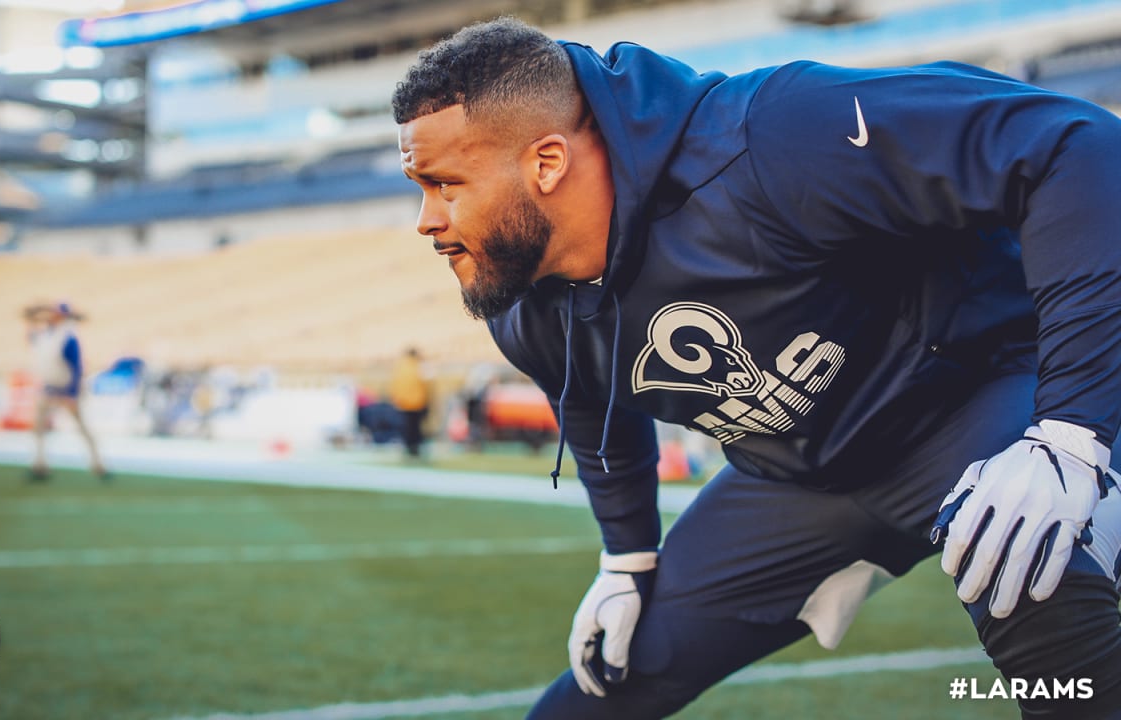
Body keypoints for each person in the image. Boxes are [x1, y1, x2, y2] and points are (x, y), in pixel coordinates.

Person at [392, 16, 1121, 719]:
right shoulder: (524, 310)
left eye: (445, 184)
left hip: (972, 401)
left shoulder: (771, 136)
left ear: (546, 162)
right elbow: (592, 408)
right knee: (602, 687)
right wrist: (627, 559)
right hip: (796, 480)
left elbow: (1075, 146)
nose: (425, 220)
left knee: (1039, 593)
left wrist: (1070, 429)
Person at [24, 301, 107, 482]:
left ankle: (98, 464)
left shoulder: (68, 337)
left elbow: (76, 367)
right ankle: (40, 464)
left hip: (65, 388)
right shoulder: (48, 334)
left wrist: (72, 393)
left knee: (81, 426)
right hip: (48, 387)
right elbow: (32, 339)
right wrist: (32, 318)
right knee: (38, 427)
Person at [387, 347, 431, 459]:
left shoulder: (400, 367)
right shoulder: (419, 366)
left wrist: (396, 398)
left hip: (404, 402)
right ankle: (415, 448)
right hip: (418, 402)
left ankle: (408, 447)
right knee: (416, 427)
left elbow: (395, 385)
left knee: (407, 427)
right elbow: (426, 385)